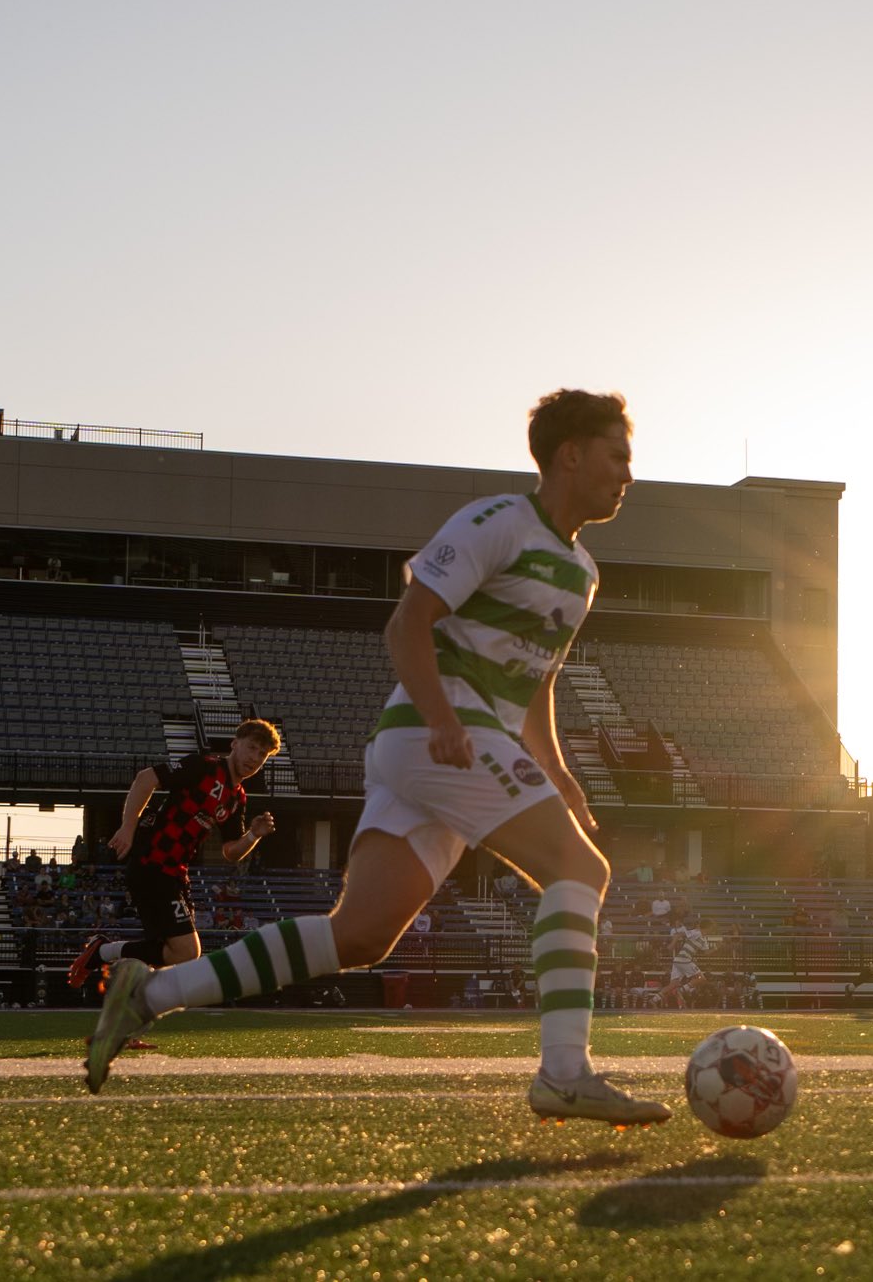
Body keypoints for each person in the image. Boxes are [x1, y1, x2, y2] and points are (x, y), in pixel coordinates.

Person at [86, 390, 667, 1125]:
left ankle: (151, 993)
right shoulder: (496, 523)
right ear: (571, 454)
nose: (628, 473)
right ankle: (564, 1073)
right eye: (618, 455)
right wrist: (442, 720)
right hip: (441, 739)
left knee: (359, 934)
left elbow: (537, 685)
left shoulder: (581, 572)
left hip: (449, 747)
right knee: (581, 869)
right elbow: (406, 626)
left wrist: (561, 777)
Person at [67, 721, 281, 988]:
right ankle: (107, 958)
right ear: (234, 744)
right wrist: (128, 827)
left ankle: (111, 964)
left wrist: (253, 835)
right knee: (187, 951)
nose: (255, 758)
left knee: (176, 953)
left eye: (262, 754)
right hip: (153, 863)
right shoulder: (205, 766)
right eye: (251, 747)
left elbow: (230, 851)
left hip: (176, 873)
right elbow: (146, 778)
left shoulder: (237, 797)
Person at [654, 913, 711, 1007]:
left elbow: (706, 952)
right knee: (701, 978)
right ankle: (680, 990)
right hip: (684, 959)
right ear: (709, 928)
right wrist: (672, 944)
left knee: (673, 984)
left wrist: (717, 948)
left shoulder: (703, 939)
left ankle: (654, 999)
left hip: (679, 960)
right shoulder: (697, 932)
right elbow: (679, 934)